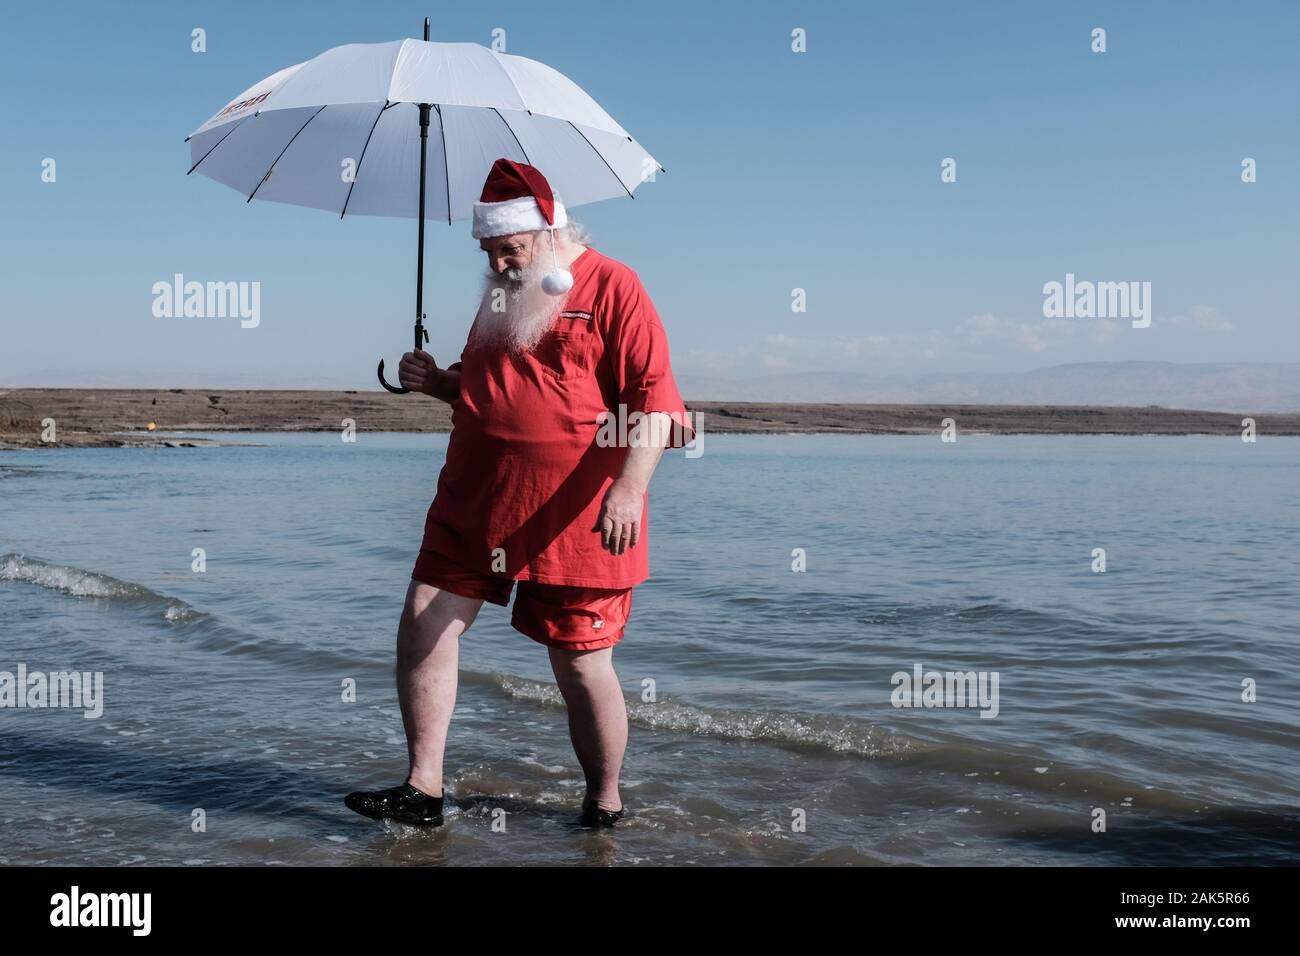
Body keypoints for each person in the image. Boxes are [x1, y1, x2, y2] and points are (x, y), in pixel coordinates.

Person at [345, 158, 693, 829]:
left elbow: (655, 405)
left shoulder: (616, 285)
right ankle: (424, 789)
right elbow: (492, 391)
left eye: (510, 249)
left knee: (580, 661)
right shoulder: (501, 293)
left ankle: (604, 803)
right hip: (476, 499)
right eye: (489, 251)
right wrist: (437, 383)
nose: (500, 264)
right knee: (424, 618)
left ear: (551, 230)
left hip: (580, 514)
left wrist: (628, 489)